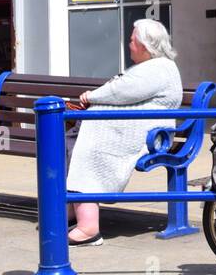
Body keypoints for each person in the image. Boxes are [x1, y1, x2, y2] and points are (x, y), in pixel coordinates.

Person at [64, 19, 183, 246]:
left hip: (146, 136)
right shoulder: (153, 67)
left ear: (145, 46)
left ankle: (88, 228)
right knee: (69, 145)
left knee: (87, 152)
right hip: (121, 129)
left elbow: (123, 91)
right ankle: (73, 210)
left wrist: (91, 97)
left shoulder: (158, 68)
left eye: (132, 40)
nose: (129, 44)